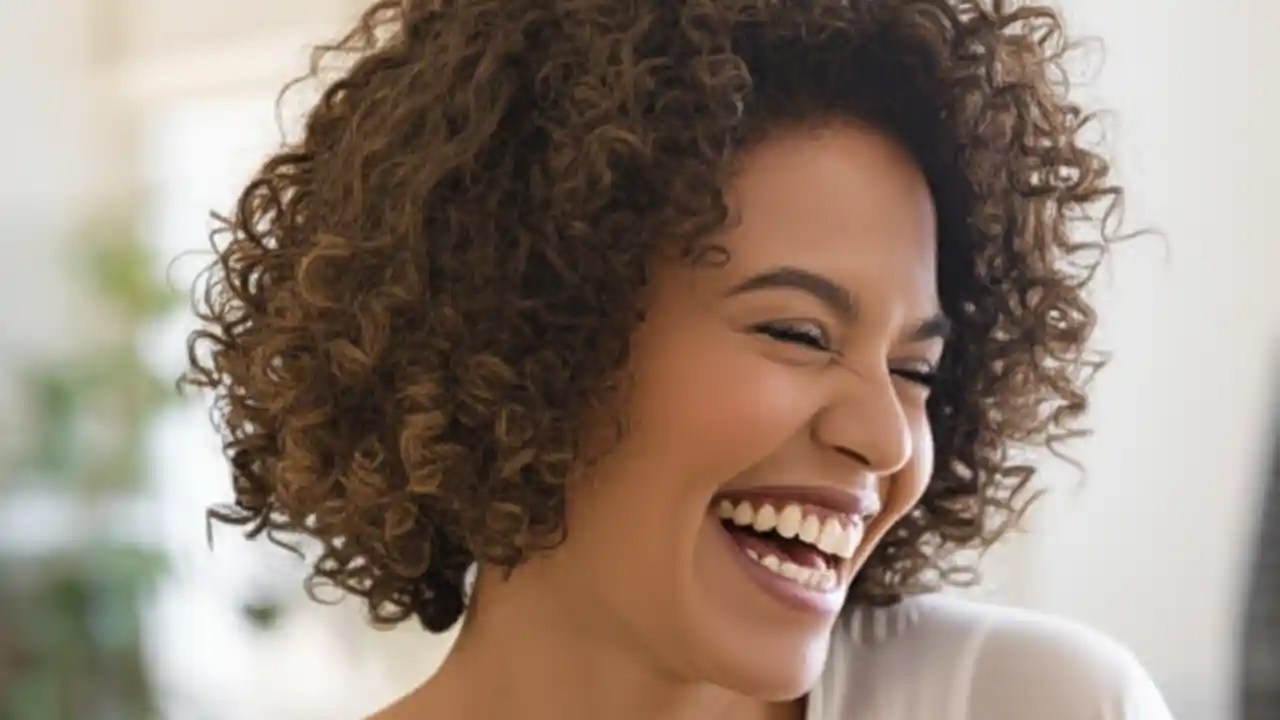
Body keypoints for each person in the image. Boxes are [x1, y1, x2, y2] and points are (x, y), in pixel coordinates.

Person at [181, 0, 1175, 717]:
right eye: (798, 334)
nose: (885, 439)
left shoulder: (1035, 704)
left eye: (913, 370)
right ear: (529, 332)